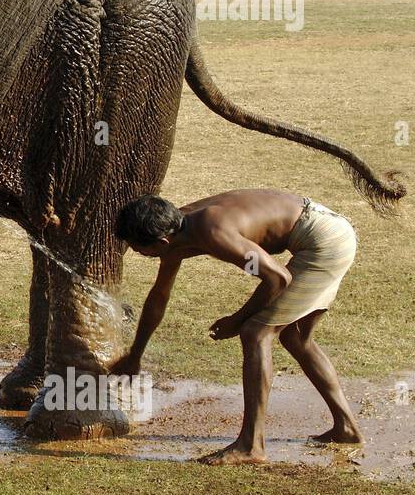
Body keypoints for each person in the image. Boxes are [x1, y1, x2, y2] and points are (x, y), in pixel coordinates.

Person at [116, 189, 362, 466]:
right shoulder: (176, 227)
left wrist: (236, 320)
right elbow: (159, 297)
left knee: (255, 332)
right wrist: (135, 355)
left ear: (160, 243)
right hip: (327, 227)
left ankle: (251, 446)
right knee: (296, 338)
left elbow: (277, 277)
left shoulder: (212, 231)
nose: (138, 254)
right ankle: (347, 428)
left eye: (138, 249)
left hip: (323, 241)